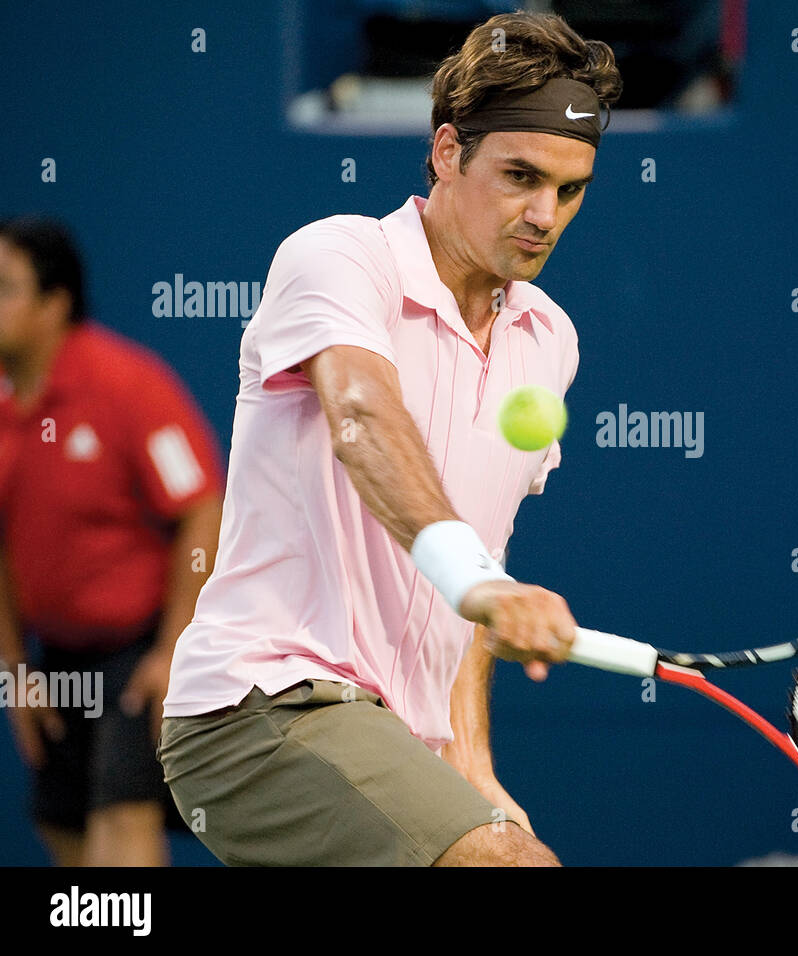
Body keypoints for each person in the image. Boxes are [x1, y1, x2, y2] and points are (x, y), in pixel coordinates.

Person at [158, 11, 622, 866]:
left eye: (570, 188)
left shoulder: (549, 339)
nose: (544, 214)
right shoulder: (339, 256)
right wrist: (479, 586)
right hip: (263, 703)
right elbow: (362, 418)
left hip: (399, 738)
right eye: (519, 176)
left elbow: (478, 561)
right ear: (448, 151)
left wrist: (473, 764)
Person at [0, 217, 224, 866]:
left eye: (6, 287)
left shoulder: (127, 384)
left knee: (123, 827)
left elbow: (203, 506)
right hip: (59, 658)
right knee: (65, 833)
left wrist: (174, 646)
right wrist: (15, 674)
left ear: (54, 304)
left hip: (139, 651)